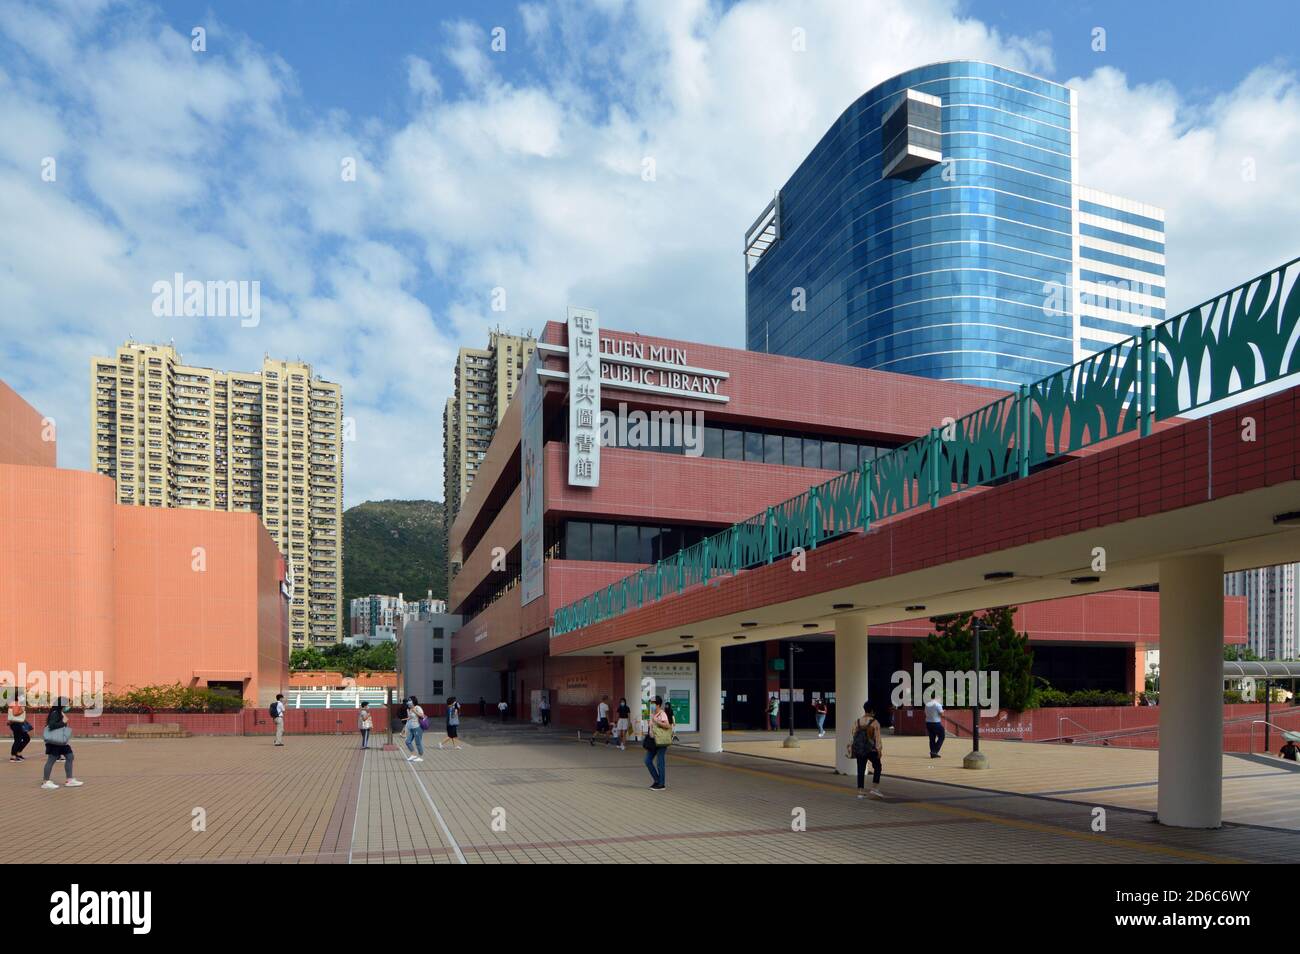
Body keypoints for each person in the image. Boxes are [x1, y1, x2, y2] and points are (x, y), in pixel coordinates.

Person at [40, 698, 82, 789]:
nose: (68, 706)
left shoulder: (59, 712)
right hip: (55, 742)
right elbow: (51, 725)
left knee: (70, 756)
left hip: (62, 741)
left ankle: (69, 780)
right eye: (67, 704)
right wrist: (63, 722)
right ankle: (45, 781)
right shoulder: (55, 713)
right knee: (51, 760)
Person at [849, 701, 883, 799]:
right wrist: (879, 750)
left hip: (860, 749)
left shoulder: (858, 721)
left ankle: (860, 792)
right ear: (872, 710)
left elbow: (853, 733)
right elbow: (877, 738)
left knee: (861, 769)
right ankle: (874, 788)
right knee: (878, 767)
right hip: (871, 750)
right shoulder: (875, 722)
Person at [644, 696, 673, 790]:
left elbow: (668, 726)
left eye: (652, 703)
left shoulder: (662, 714)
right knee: (647, 760)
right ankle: (657, 780)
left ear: (658, 705)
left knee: (660, 762)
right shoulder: (652, 714)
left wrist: (657, 721)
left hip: (661, 741)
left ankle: (661, 784)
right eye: (650, 703)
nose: (651, 705)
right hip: (653, 741)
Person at [8, 692, 31, 762]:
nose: (23, 697)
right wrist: (22, 710)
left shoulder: (16, 703)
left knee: (26, 738)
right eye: (22, 696)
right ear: (18, 697)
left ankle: (17, 753)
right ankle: (13, 756)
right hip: (16, 724)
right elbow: (15, 713)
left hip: (17, 724)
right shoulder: (16, 703)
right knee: (18, 739)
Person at [404, 696, 426, 762]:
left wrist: (414, 711)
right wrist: (406, 728)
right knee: (407, 741)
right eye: (408, 701)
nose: (408, 702)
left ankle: (420, 756)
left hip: (417, 728)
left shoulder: (417, 707)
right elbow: (410, 719)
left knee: (418, 742)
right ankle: (413, 755)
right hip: (411, 728)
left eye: (410, 700)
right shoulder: (408, 709)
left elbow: (422, 716)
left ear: (413, 701)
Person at [924, 693, 945, 758]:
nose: (940, 700)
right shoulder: (938, 704)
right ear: (937, 698)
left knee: (932, 738)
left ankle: (933, 752)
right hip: (936, 723)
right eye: (940, 699)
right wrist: (943, 711)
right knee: (942, 736)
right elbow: (942, 714)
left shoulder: (927, 704)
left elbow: (925, 713)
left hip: (928, 723)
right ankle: (934, 751)